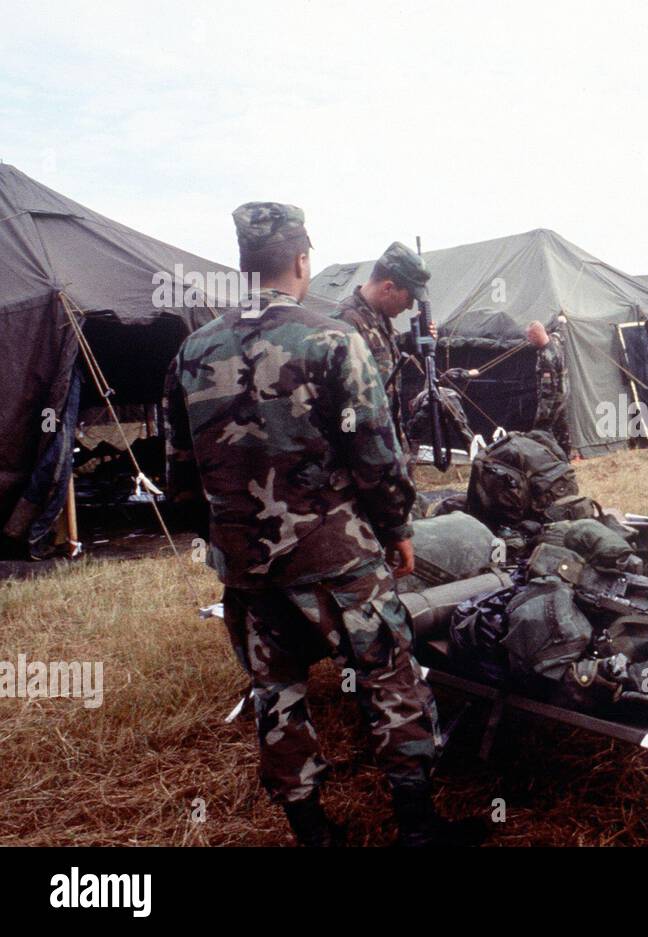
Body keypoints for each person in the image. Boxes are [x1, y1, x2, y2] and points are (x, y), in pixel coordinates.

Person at [165, 202, 484, 847]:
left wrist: (225, 538)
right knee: (388, 675)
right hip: (333, 558)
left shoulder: (193, 350)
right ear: (303, 261)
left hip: (247, 562)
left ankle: (311, 830)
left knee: (275, 689)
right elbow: (376, 452)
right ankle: (418, 827)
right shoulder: (334, 339)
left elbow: (178, 472)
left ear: (243, 262)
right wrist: (397, 530)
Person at [333, 242, 432, 480]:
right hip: (366, 466)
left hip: (388, 452)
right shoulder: (345, 325)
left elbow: (384, 362)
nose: (409, 306)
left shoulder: (380, 319)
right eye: (409, 298)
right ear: (388, 288)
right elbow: (349, 412)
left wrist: (417, 340)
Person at [527, 319, 572, 458]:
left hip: (554, 400)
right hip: (564, 393)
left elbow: (548, 391)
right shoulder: (555, 340)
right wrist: (561, 321)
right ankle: (565, 456)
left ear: (535, 335)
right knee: (562, 427)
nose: (528, 340)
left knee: (543, 432)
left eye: (530, 337)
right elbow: (560, 333)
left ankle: (549, 459)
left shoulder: (547, 358)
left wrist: (542, 415)